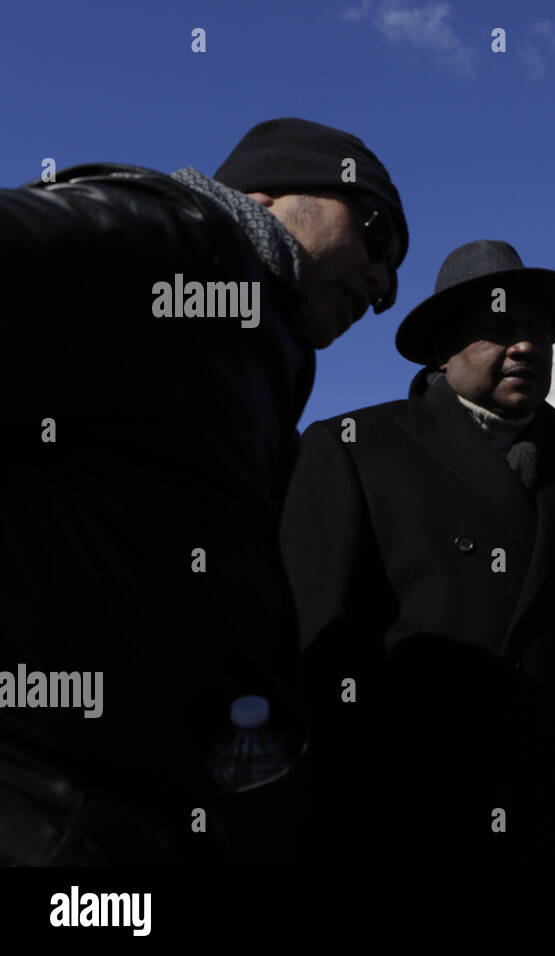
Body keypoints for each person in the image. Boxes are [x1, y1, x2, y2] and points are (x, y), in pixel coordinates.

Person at [0, 117, 407, 865]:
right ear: (268, 192)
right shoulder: (178, 235)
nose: (381, 285)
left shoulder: (254, 342)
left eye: (394, 281)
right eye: (377, 236)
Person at [280, 239, 555, 865]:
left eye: (538, 331)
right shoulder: (354, 449)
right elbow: (311, 658)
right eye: (499, 329)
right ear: (444, 350)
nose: (526, 346)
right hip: (407, 818)